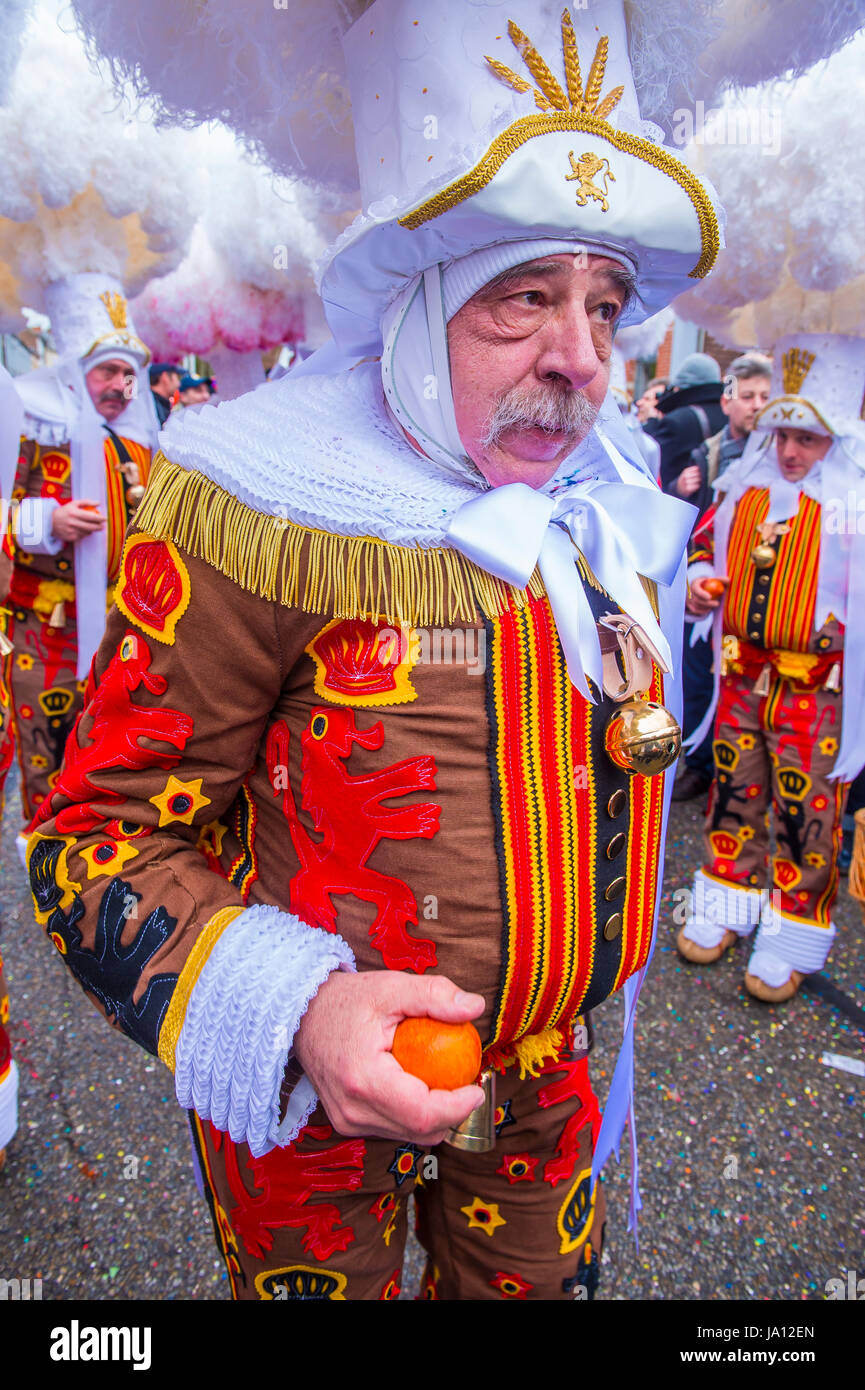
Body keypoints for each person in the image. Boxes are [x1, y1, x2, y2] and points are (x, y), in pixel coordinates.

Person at [27, 0, 721, 1299]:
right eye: (524, 296)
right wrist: (302, 1014)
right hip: (311, 1117)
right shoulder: (255, 504)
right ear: (414, 303)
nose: (579, 357)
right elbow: (91, 838)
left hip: (545, 1088)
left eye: (605, 300)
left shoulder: (601, 496)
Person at [677, 333, 865, 1002]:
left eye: (807, 440)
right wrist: (700, 580)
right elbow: (702, 546)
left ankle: (792, 930)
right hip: (737, 681)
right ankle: (726, 903)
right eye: (781, 434)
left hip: (815, 693)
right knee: (734, 794)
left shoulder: (853, 508)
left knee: (803, 811)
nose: (788, 452)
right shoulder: (740, 492)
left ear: (834, 442)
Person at [0, 277, 157, 829]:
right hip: (44, 633)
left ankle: (92, 857)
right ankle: (42, 855)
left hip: (120, 634)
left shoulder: (140, 444)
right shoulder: (33, 430)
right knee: (46, 746)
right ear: (73, 370)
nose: (120, 384)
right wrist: (47, 520)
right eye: (106, 371)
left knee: (107, 748)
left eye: (128, 373)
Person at [672, 353, 772, 801]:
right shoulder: (710, 454)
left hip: (766, 599)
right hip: (715, 594)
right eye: (748, 395)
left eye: (766, 397)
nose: (756, 405)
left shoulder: (780, 462)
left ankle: (749, 777)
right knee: (701, 678)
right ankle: (699, 764)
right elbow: (700, 526)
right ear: (728, 401)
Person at [644, 351, 724, 494]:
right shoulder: (728, 414)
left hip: (686, 506)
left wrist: (652, 422)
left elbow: (651, 465)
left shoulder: (676, 421)